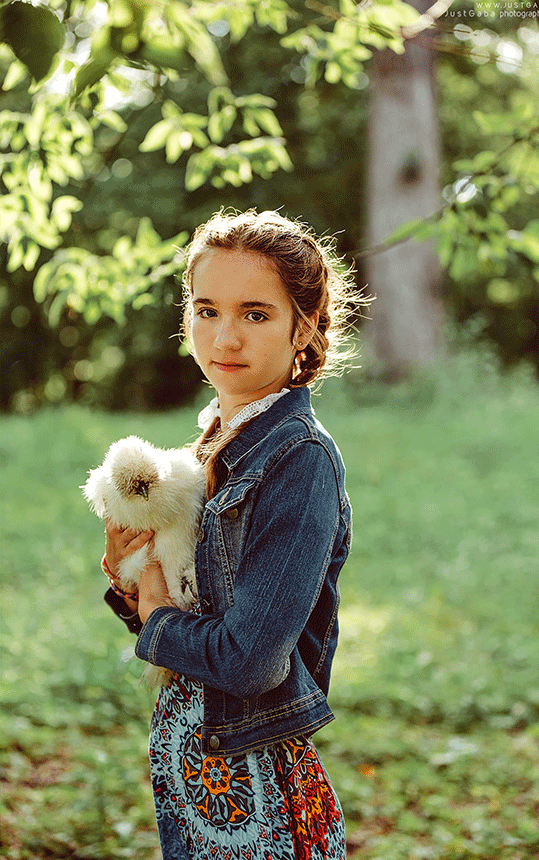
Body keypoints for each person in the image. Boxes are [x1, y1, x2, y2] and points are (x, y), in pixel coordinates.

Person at [102, 209, 359, 860]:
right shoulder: (215, 441)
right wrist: (130, 581)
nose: (224, 337)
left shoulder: (298, 458)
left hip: (251, 778)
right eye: (206, 309)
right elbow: (200, 623)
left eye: (254, 313)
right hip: (191, 759)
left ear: (303, 326)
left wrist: (157, 621)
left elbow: (248, 661)